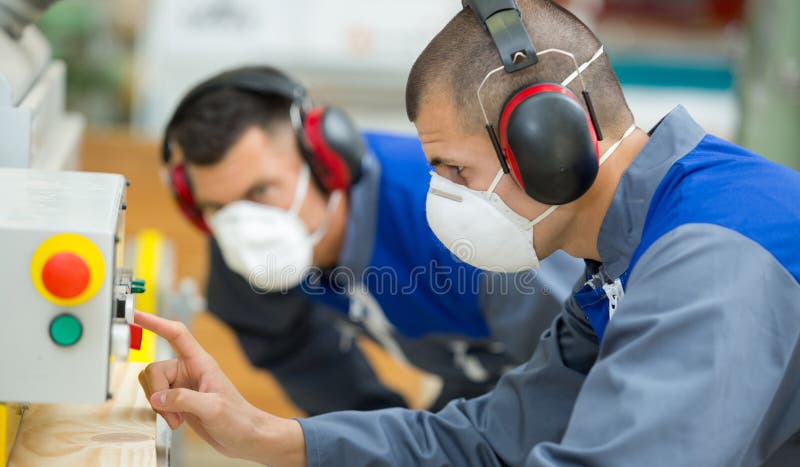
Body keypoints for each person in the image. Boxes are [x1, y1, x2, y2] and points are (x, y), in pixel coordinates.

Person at [104, 1, 800, 467]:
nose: (443, 203)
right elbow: (490, 448)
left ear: (551, 141)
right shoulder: (617, 261)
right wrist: (265, 436)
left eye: (454, 170)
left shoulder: (712, 252)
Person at [160, 66, 582, 414]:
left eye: (261, 192)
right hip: (481, 381)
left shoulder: (457, 215)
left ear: (325, 161)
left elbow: (587, 367)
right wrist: (378, 442)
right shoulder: (245, 249)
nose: (245, 225)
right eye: (218, 207)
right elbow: (294, 353)